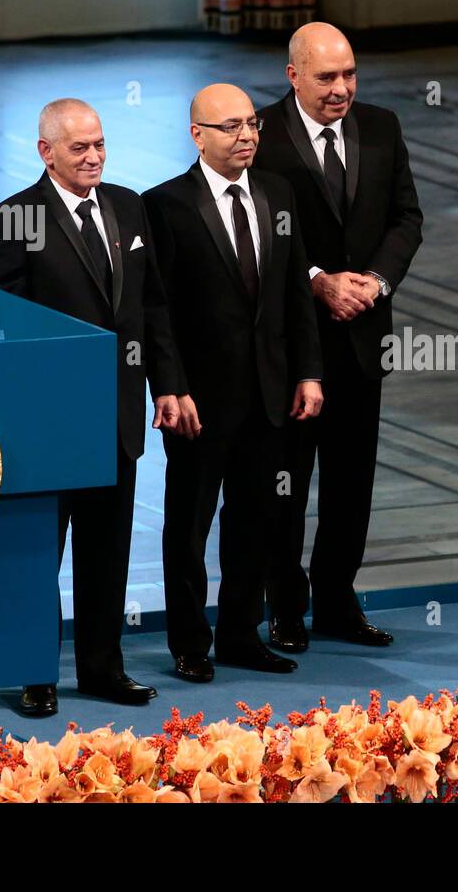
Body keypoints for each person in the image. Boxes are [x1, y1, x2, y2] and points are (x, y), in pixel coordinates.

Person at [0, 98, 198, 716]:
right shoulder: (14, 218)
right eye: (79, 148)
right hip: (48, 424)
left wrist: (168, 386)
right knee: (39, 556)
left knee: (107, 550)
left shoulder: (130, 207)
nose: (94, 157)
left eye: (100, 144)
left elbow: (153, 307)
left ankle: (103, 669)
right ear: (46, 151)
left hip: (118, 415)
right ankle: (34, 674)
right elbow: (7, 323)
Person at [143, 84, 323, 682]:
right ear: (198, 134)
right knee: (189, 527)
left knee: (257, 523)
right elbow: (157, 308)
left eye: (251, 124)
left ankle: (241, 634)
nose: (246, 136)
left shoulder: (278, 192)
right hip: (199, 402)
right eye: (230, 127)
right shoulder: (164, 205)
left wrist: (308, 372)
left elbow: (295, 290)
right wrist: (170, 384)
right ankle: (190, 643)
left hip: (271, 397)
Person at [254, 22, 423, 652]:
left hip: (362, 338)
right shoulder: (260, 138)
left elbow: (407, 217)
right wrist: (317, 279)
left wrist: (374, 282)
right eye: (327, 77)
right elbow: (256, 239)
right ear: (293, 75)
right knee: (286, 484)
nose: (341, 88)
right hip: (293, 350)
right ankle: (285, 606)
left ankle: (336, 602)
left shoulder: (382, 127)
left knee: (352, 485)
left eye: (349, 74)